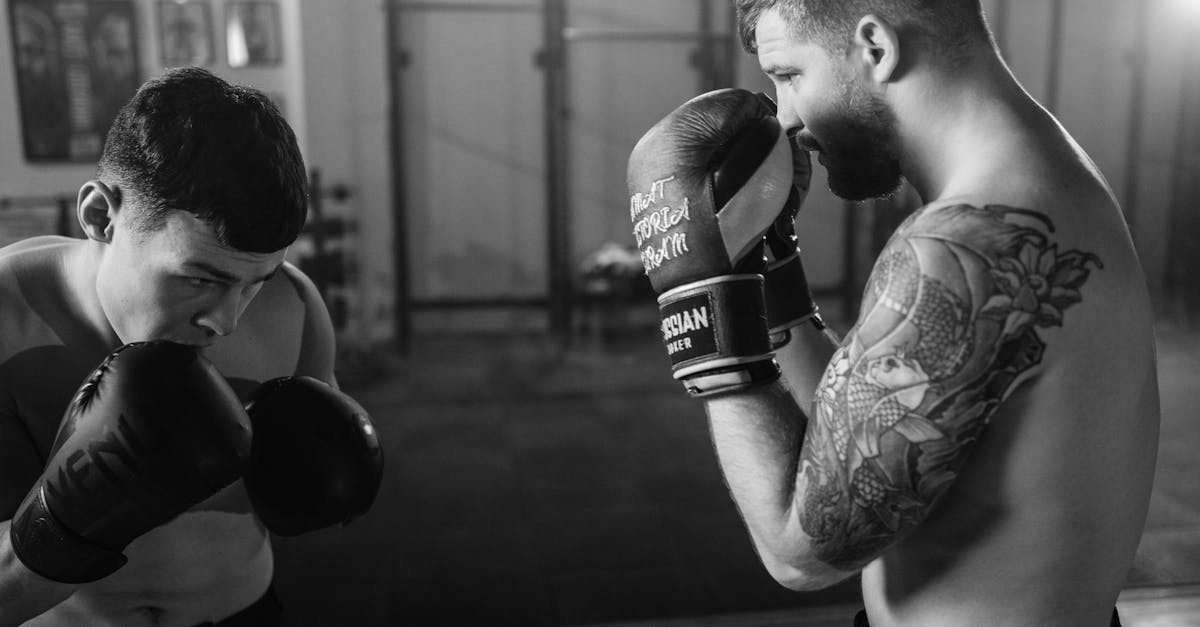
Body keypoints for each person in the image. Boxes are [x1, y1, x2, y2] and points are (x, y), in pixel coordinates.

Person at [626, 1, 1159, 625]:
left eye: (790, 74)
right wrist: (767, 267)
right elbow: (865, 434)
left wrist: (701, 302)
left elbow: (799, 556)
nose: (787, 117)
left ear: (876, 46)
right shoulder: (1042, 174)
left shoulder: (963, 249)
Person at [0, 67, 382, 626]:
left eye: (253, 282)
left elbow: (300, 494)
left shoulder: (292, 308)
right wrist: (64, 518)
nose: (225, 322)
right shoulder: (8, 326)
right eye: (199, 279)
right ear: (101, 216)